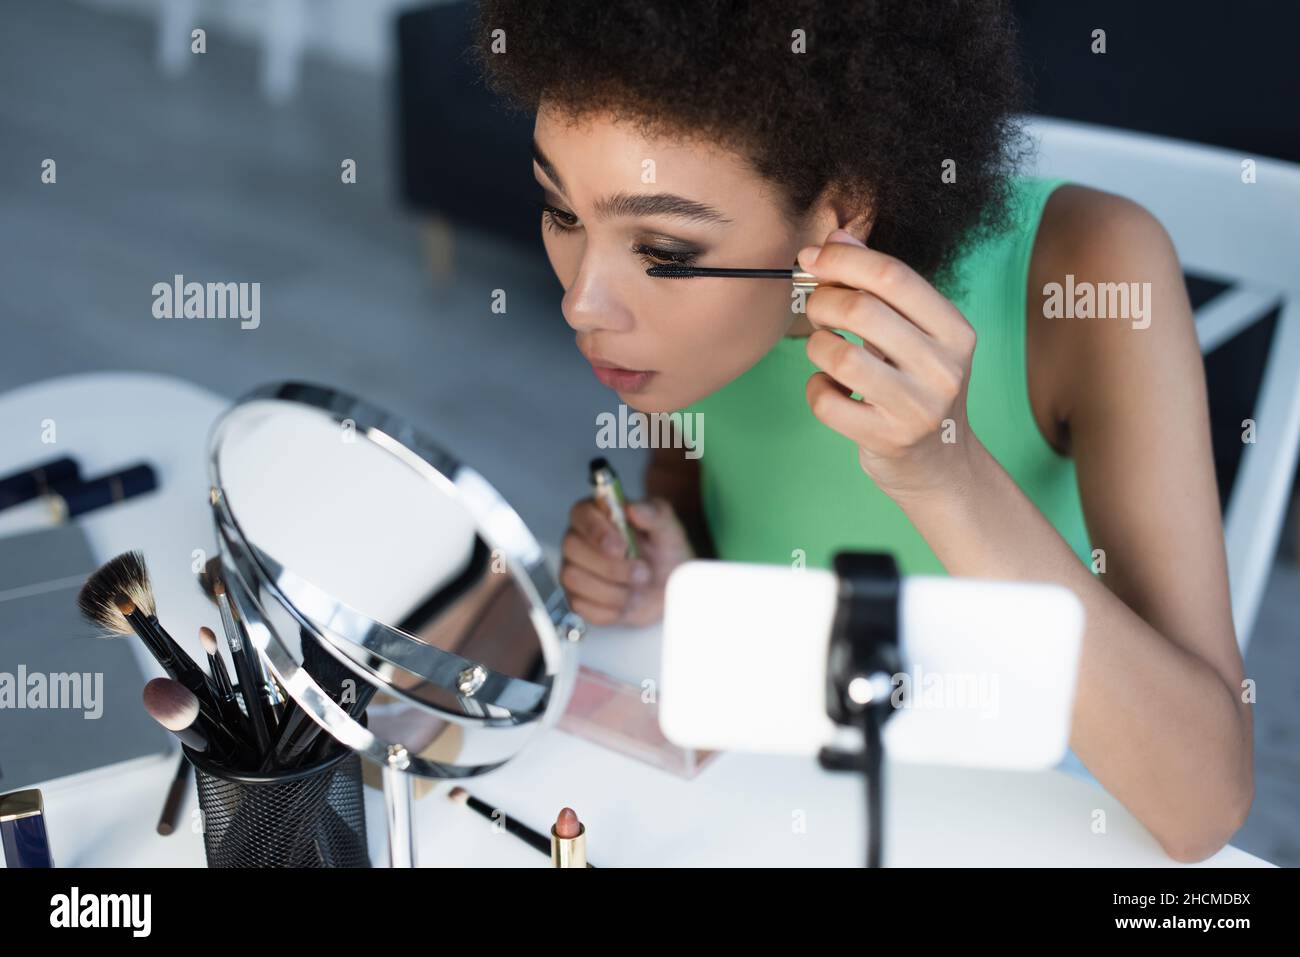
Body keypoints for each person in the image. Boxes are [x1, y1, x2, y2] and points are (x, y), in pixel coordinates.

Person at [473, 0, 1253, 862]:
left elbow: (1203, 801)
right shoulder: (691, 341)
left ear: (837, 212)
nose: (581, 300)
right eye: (562, 212)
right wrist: (676, 564)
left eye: (663, 250)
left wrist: (941, 470)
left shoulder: (1095, 268)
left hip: (1033, 802)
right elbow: (704, 497)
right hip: (775, 779)